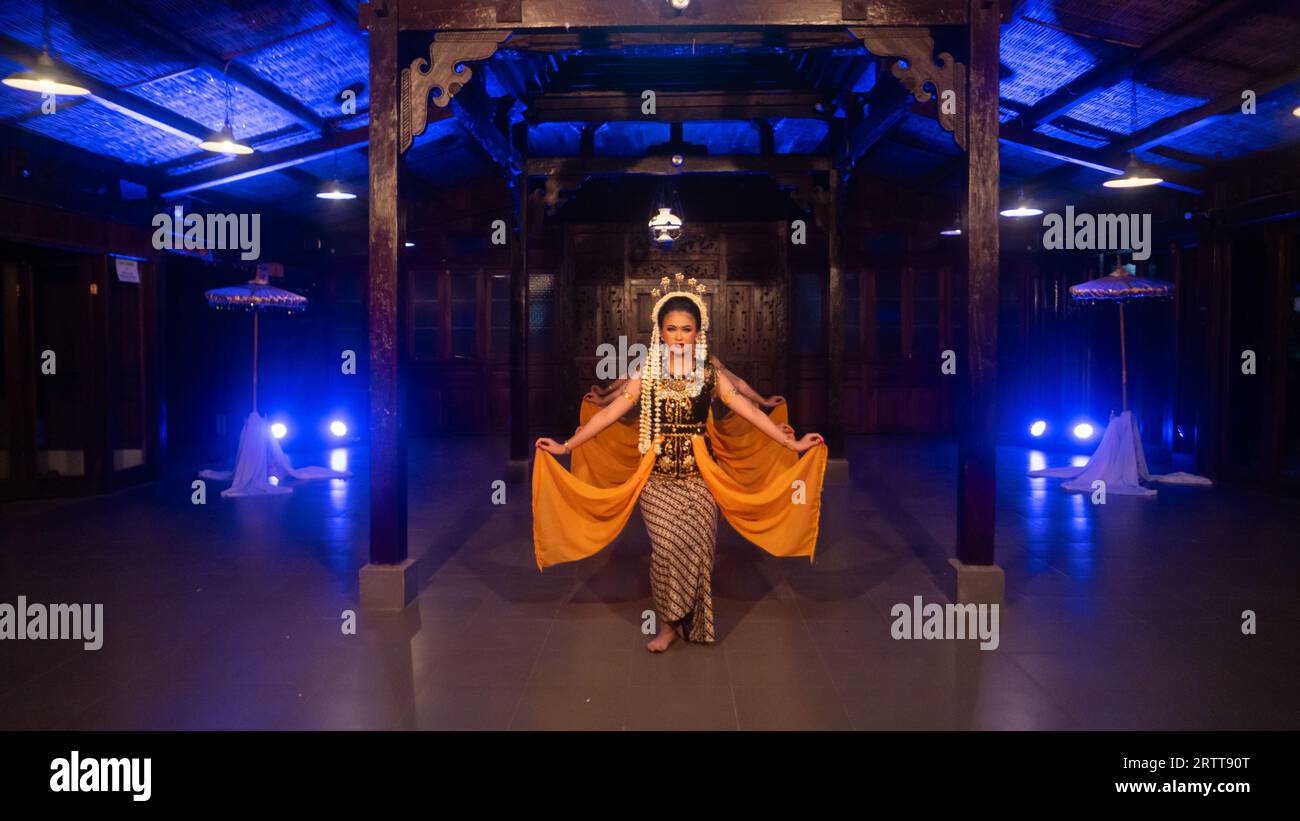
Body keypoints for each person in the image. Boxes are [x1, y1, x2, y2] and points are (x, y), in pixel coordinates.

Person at [532, 272, 827, 652]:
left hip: (701, 476)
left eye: (686, 329)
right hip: (656, 478)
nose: (678, 336)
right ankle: (668, 624)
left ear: (698, 332)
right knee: (666, 549)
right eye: (671, 328)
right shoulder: (648, 372)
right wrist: (566, 446)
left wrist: (794, 442)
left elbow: (750, 412)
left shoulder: (709, 374)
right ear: (660, 331)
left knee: (700, 550)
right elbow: (607, 415)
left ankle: (694, 621)